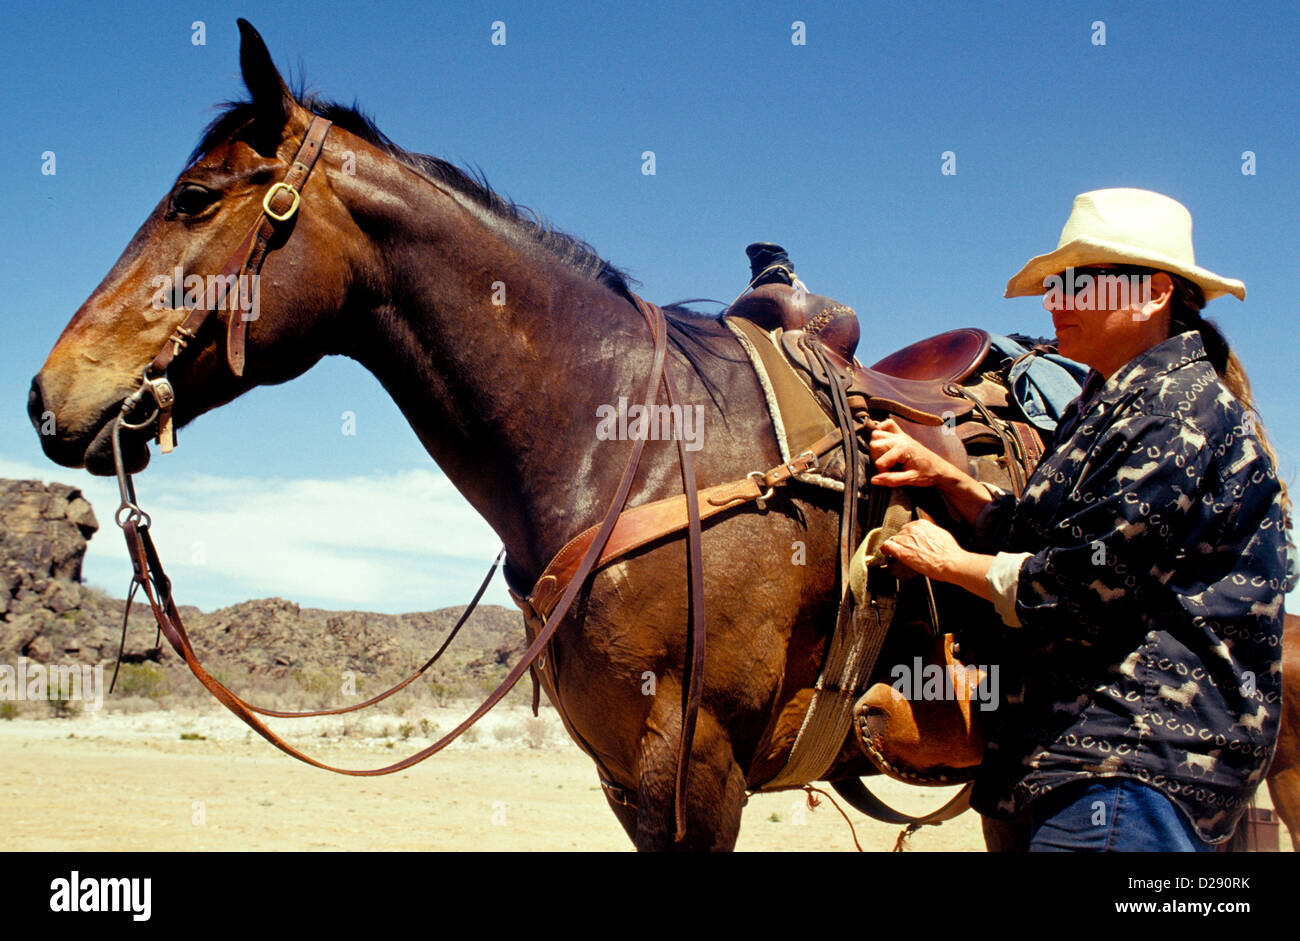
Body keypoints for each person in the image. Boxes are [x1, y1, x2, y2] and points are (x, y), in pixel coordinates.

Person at [868, 188, 1295, 851]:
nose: (1053, 302)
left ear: (1152, 294)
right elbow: (1048, 539)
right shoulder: (1113, 404)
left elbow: (1084, 584)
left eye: (1075, 284)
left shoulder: (1175, 409)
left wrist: (947, 562)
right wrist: (948, 477)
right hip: (1102, 764)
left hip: (1130, 761)